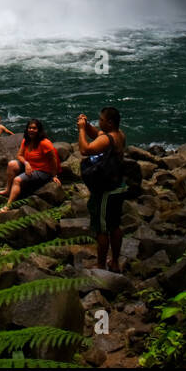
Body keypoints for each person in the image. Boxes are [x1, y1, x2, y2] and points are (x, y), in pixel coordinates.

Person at [77, 106, 128, 272]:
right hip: (118, 186)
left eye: (101, 120)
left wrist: (81, 130)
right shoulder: (119, 135)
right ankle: (114, 261)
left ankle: (101, 265)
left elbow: (85, 149)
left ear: (110, 122)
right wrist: (88, 125)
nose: (99, 123)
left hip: (107, 190)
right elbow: (98, 135)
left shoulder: (109, 139)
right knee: (114, 225)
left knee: (102, 228)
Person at [0, 119, 60, 212]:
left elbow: (54, 159)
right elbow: (19, 155)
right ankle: (8, 190)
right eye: (30, 128)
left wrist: (54, 175)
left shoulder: (45, 143)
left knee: (17, 180)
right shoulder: (26, 140)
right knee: (11, 164)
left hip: (43, 171)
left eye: (34, 128)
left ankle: (8, 206)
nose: (31, 130)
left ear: (39, 130)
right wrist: (26, 163)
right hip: (30, 166)